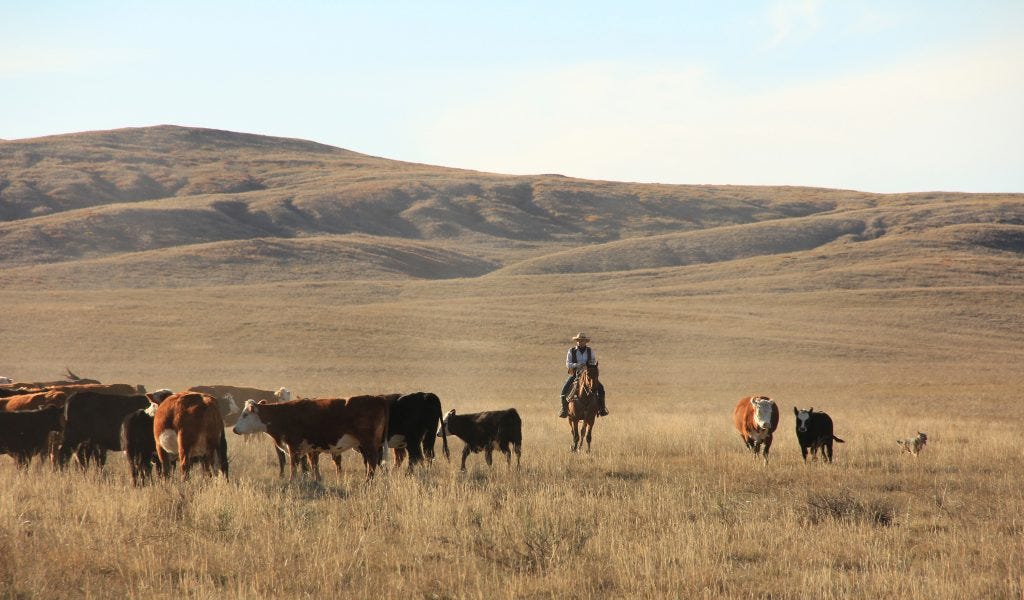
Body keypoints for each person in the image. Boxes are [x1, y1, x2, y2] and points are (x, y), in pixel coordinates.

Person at [559, 332, 608, 418]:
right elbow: (568, 364)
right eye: (579, 340)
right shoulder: (571, 351)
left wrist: (588, 365)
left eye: (582, 340)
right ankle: (564, 410)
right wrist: (577, 365)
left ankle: (602, 409)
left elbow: (593, 361)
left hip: (588, 375)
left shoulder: (590, 351)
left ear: (586, 342)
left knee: (601, 389)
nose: (581, 342)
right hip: (575, 374)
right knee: (564, 391)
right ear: (577, 341)